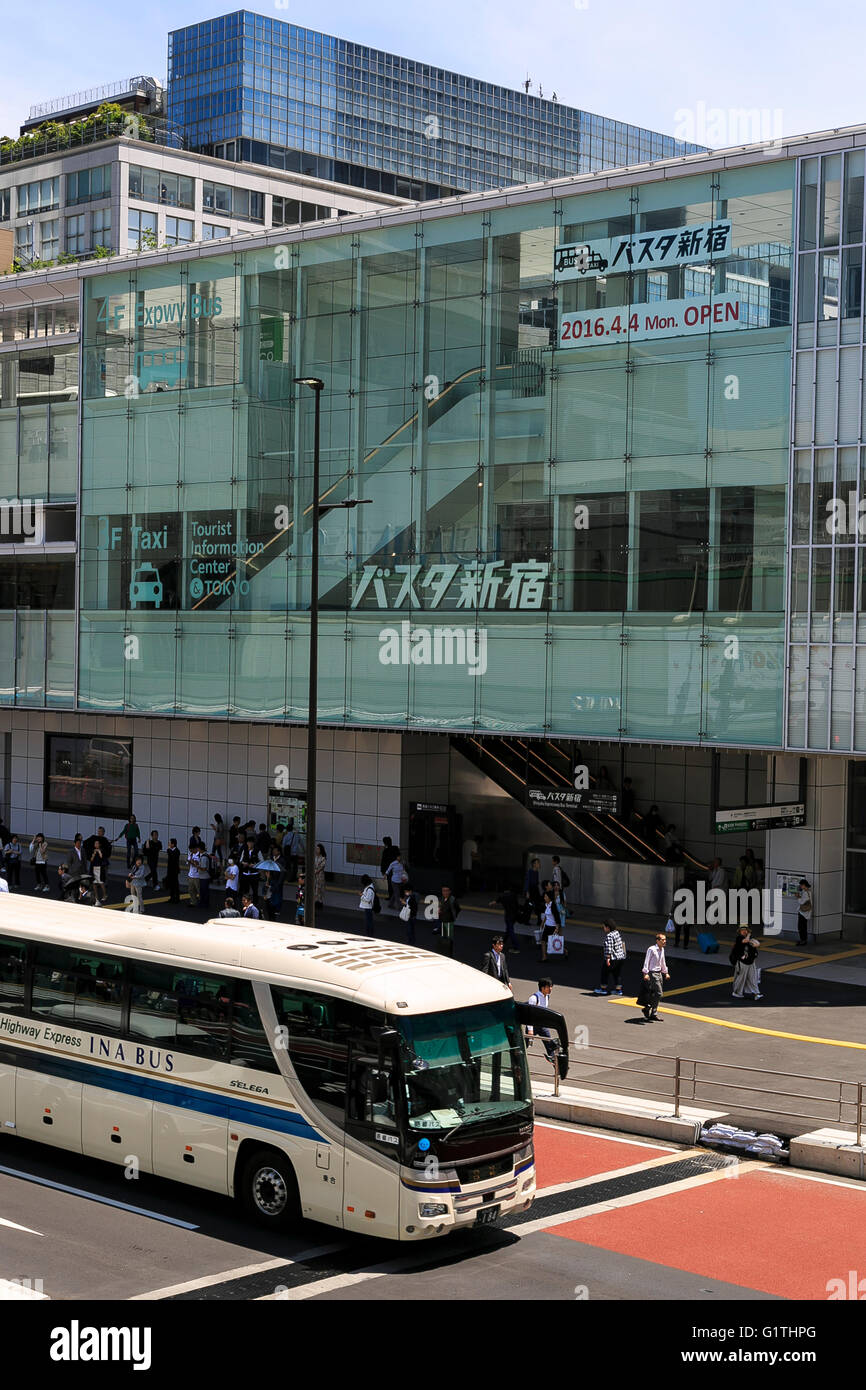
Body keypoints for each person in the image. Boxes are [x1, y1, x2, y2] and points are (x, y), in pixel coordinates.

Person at [639, 931, 670, 1021]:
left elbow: (662, 962)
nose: (665, 941)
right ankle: (648, 1008)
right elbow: (646, 961)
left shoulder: (662, 949)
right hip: (652, 974)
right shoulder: (651, 949)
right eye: (663, 940)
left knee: (655, 993)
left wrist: (665, 972)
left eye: (665, 940)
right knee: (659, 993)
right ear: (658, 941)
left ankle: (653, 1013)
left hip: (659, 973)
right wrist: (645, 973)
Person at [525, 978, 556, 1059]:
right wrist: (530, 1030)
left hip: (542, 1025)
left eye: (551, 986)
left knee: (549, 1044)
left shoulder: (547, 996)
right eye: (548, 987)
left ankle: (555, 1063)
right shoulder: (534, 998)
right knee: (524, 1045)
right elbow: (529, 1015)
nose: (551, 989)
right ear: (542, 988)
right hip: (533, 1026)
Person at [594, 919, 627, 995]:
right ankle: (618, 990)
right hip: (620, 958)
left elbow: (609, 947)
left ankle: (603, 989)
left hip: (612, 958)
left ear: (608, 928)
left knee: (604, 973)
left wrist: (608, 958)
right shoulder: (617, 933)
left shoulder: (609, 936)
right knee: (617, 974)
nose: (604, 928)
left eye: (604, 927)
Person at [730, 926, 763, 999]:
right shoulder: (739, 938)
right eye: (742, 930)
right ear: (739, 932)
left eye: (745, 930)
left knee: (753, 978)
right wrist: (748, 936)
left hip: (751, 962)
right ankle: (737, 993)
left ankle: (756, 993)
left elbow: (757, 944)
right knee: (740, 978)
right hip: (742, 962)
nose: (744, 931)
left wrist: (751, 940)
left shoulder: (750, 940)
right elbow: (745, 941)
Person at [490, 886, 520, 953]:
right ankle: (502, 943)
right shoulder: (513, 894)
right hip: (515, 915)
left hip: (508, 915)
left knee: (510, 930)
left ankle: (516, 947)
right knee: (508, 930)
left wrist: (491, 903)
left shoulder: (502, 896)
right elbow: (517, 904)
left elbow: (495, 902)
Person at [437, 885, 461, 958]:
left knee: (449, 938)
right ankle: (444, 952)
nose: (444, 892)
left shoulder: (452, 899)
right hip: (442, 921)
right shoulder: (441, 898)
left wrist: (453, 917)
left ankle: (449, 955)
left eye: (446, 890)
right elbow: (440, 906)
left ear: (449, 891)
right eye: (443, 890)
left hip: (449, 921)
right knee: (443, 937)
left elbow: (458, 909)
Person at [538, 890, 560, 963]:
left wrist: (557, 928)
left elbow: (557, 917)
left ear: (549, 897)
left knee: (555, 943)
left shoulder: (552, 905)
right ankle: (544, 957)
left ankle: (565, 951)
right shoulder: (546, 905)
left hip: (553, 927)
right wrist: (542, 923)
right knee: (543, 941)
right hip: (547, 926)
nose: (544, 898)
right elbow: (546, 916)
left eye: (545, 896)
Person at [523, 856, 543, 926]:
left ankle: (539, 921)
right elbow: (527, 882)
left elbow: (536, 882)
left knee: (538, 905)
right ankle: (526, 920)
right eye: (538, 863)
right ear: (534, 864)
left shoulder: (536, 872)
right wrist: (527, 892)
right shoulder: (529, 872)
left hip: (535, 890)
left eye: (539, 863)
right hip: (530, 890)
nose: (539, 864)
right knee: (529, 906)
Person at [240, 838, 259, 904]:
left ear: (253, 843)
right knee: (246, 890)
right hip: (246, 873)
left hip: (254, 874)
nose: (250, 844)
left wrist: (254, 865)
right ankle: (246, 903)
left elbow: (261, 862)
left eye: (251, 843)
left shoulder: (257, 851)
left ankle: (255, 904)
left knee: (255, 890)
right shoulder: (244, 850)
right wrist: (244, 863)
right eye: (248, 843)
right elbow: (240, 860)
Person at [89, 838, 108, 904]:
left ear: (99, 844)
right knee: (94, 883)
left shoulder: (102, 850)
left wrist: (99, 851)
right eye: (95, 843)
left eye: (97, 843)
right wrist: (94, 854)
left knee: (101, 882)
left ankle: (105, 894)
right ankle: (96, 897)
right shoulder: (92, 850)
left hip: (100, 868)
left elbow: (102, 857)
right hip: (94, 868)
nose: (96, 845)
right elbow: (91, 860)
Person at [164, 838, 181, 903]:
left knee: (175, 884)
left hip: (175, 870)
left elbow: (173, 857)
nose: (169, 844)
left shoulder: (176, 851)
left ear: (173, 844)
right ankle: (172, 897)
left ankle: (177, 898)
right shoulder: (171, 850)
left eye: (170, 843)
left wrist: (168, 849)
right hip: (170, 870)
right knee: (171, 884)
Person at [797, 878, 812, 946]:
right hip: (806, 913)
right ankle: (804, 940)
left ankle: (803, 940)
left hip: (803, 913)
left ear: (804, 885)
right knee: (804, 927)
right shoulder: (809, 892)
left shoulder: (805, 893)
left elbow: (802, 902)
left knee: (801, 927)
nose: (800, 886)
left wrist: (798, 897)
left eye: (801, 885)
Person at [197, 847, 211, 914]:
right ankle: (205, 903)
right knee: (205, 890)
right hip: (206, 876)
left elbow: (204, 868)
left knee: (203, 890)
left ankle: (204, 903)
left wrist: (197, 866)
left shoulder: (203, 857)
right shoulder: (206, 855)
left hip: (204, 876)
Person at [314, 843, 327, 910]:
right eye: (316, 848)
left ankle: (319, 903)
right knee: (314, 889)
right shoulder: (315, 857)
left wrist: (315, 872)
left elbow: (321, 867)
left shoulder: (323, 858)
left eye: (318, 849)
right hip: (314, 876)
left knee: (319, 889)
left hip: (319, 876)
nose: (316, 850)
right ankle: (315, 902)